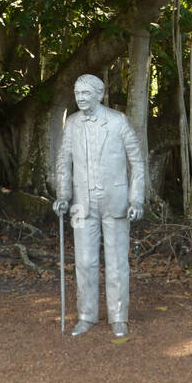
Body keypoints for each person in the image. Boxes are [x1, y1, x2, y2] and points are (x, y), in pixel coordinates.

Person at [53, 74, 145, 338]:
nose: (80, 99)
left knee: (117, 263)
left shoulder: (118, 122)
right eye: (77, 94)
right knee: (84, 261)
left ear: (99, 95)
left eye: (85, 94)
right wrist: (63, 195)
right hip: (82, 204)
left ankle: (118, 317)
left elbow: (137, 163)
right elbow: (63, 163)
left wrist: (136, 198)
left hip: (115, 202)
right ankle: (86, 315)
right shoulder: (71, 124)